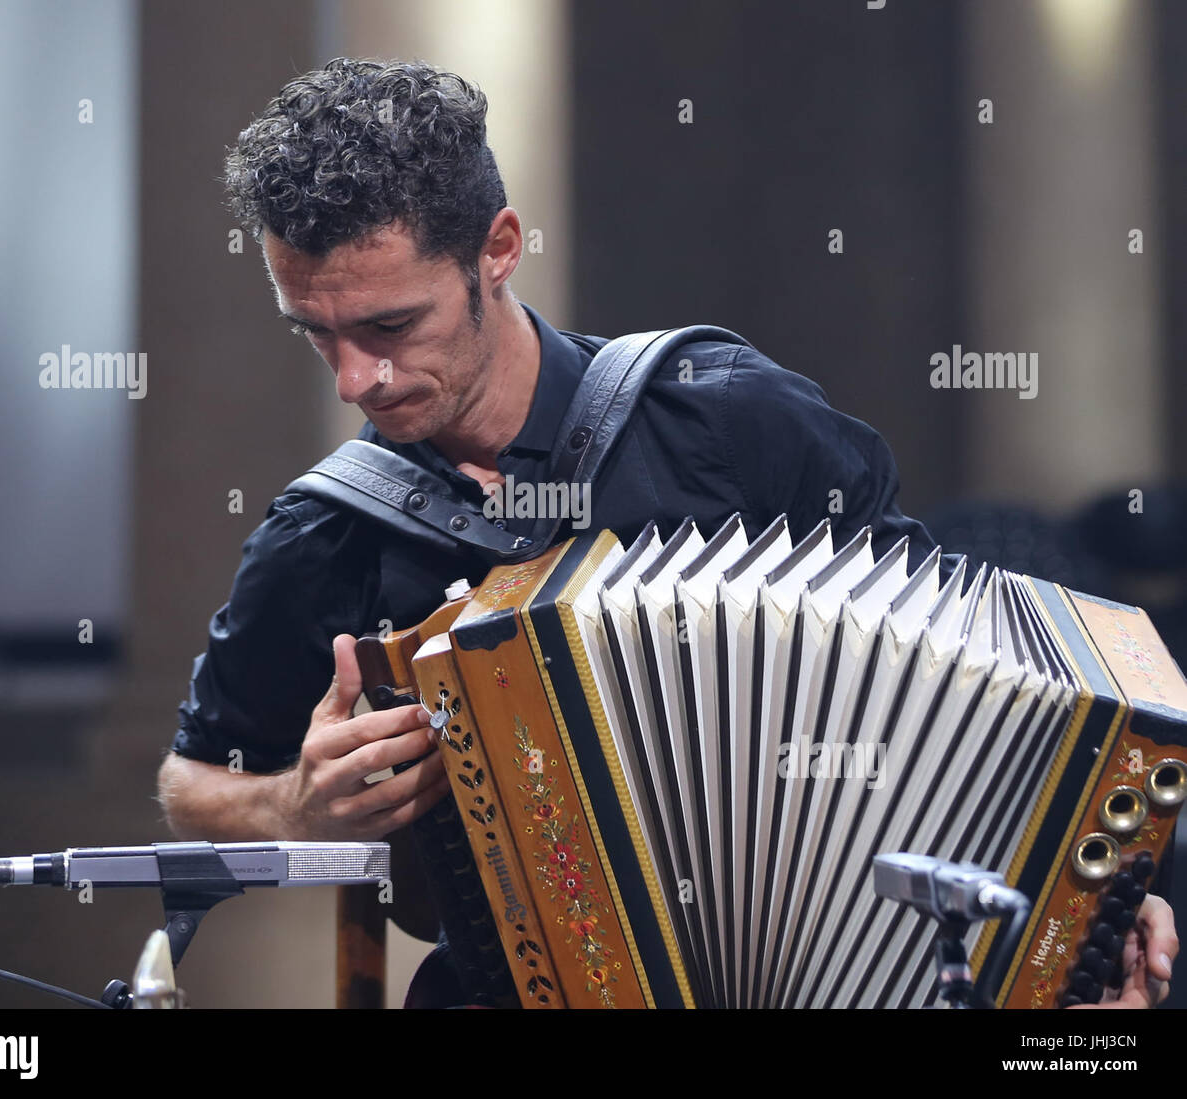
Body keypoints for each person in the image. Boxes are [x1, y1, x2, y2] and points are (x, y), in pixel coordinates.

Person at [156, 57, 1177, 1008]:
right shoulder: (331, 530)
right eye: (315, 333)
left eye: (389, 327)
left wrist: (1082, 902)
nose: (353, 381)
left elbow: (973, 675)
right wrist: (297, 806)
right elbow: (191, 782)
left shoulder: (727, 419)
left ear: (498, 251)